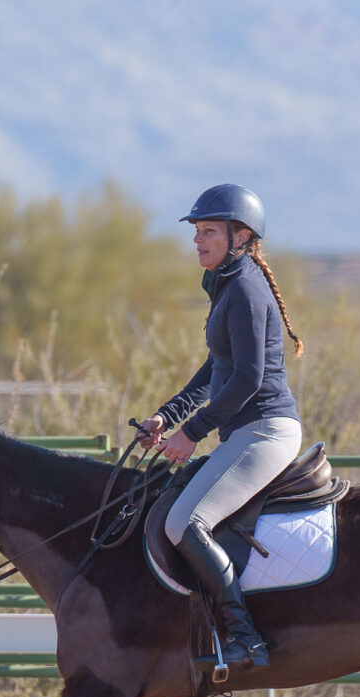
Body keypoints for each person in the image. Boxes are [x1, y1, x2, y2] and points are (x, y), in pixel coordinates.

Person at [136, 184, 305, 671]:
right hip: (245, 433)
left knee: (184, 522)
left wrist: (193, 432)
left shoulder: (246, 289)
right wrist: (167, 416)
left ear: (241, 235)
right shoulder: (230, 286)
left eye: (209, 230)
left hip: (266, 431)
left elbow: (249, 379)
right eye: (197, 231)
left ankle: (246, 638)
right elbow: (215, 370)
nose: (198, 239)